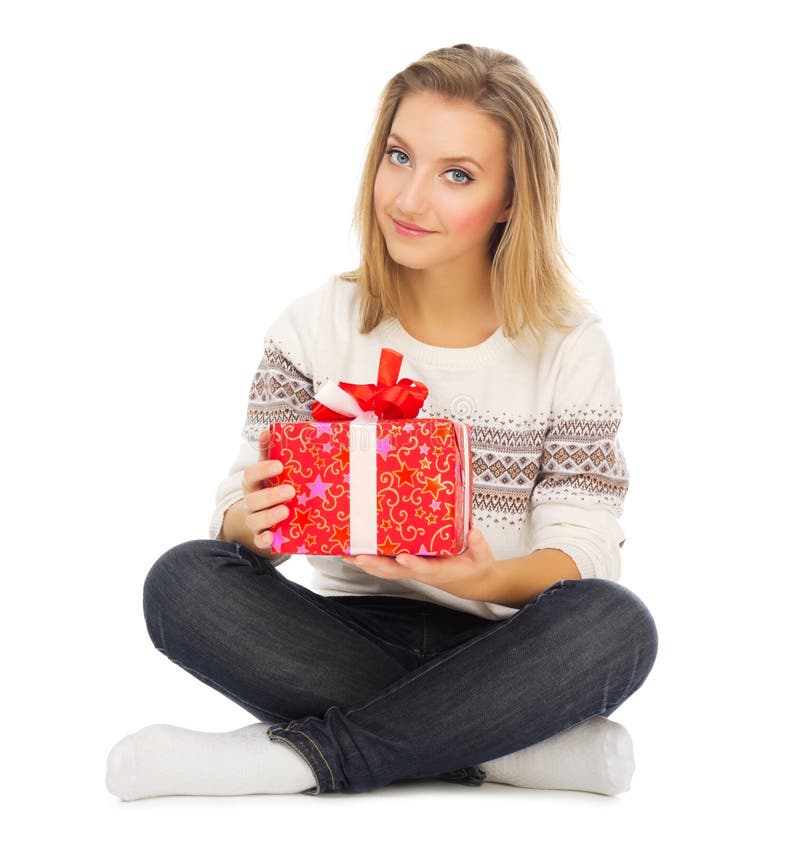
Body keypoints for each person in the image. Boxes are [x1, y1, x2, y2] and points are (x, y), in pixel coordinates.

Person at [105, 43, 658, 800]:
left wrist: (486, 574)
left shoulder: (570, 347)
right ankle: (497, 746)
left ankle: (302, 759)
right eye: (399, 157)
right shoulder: (313, 327)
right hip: (341, 634)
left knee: (615, 624)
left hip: (509, 639)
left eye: (456, 174)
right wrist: (251, 521)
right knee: (182, 582)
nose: (409, 198)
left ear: (509, 198)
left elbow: (585, 549)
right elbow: (234, 525)